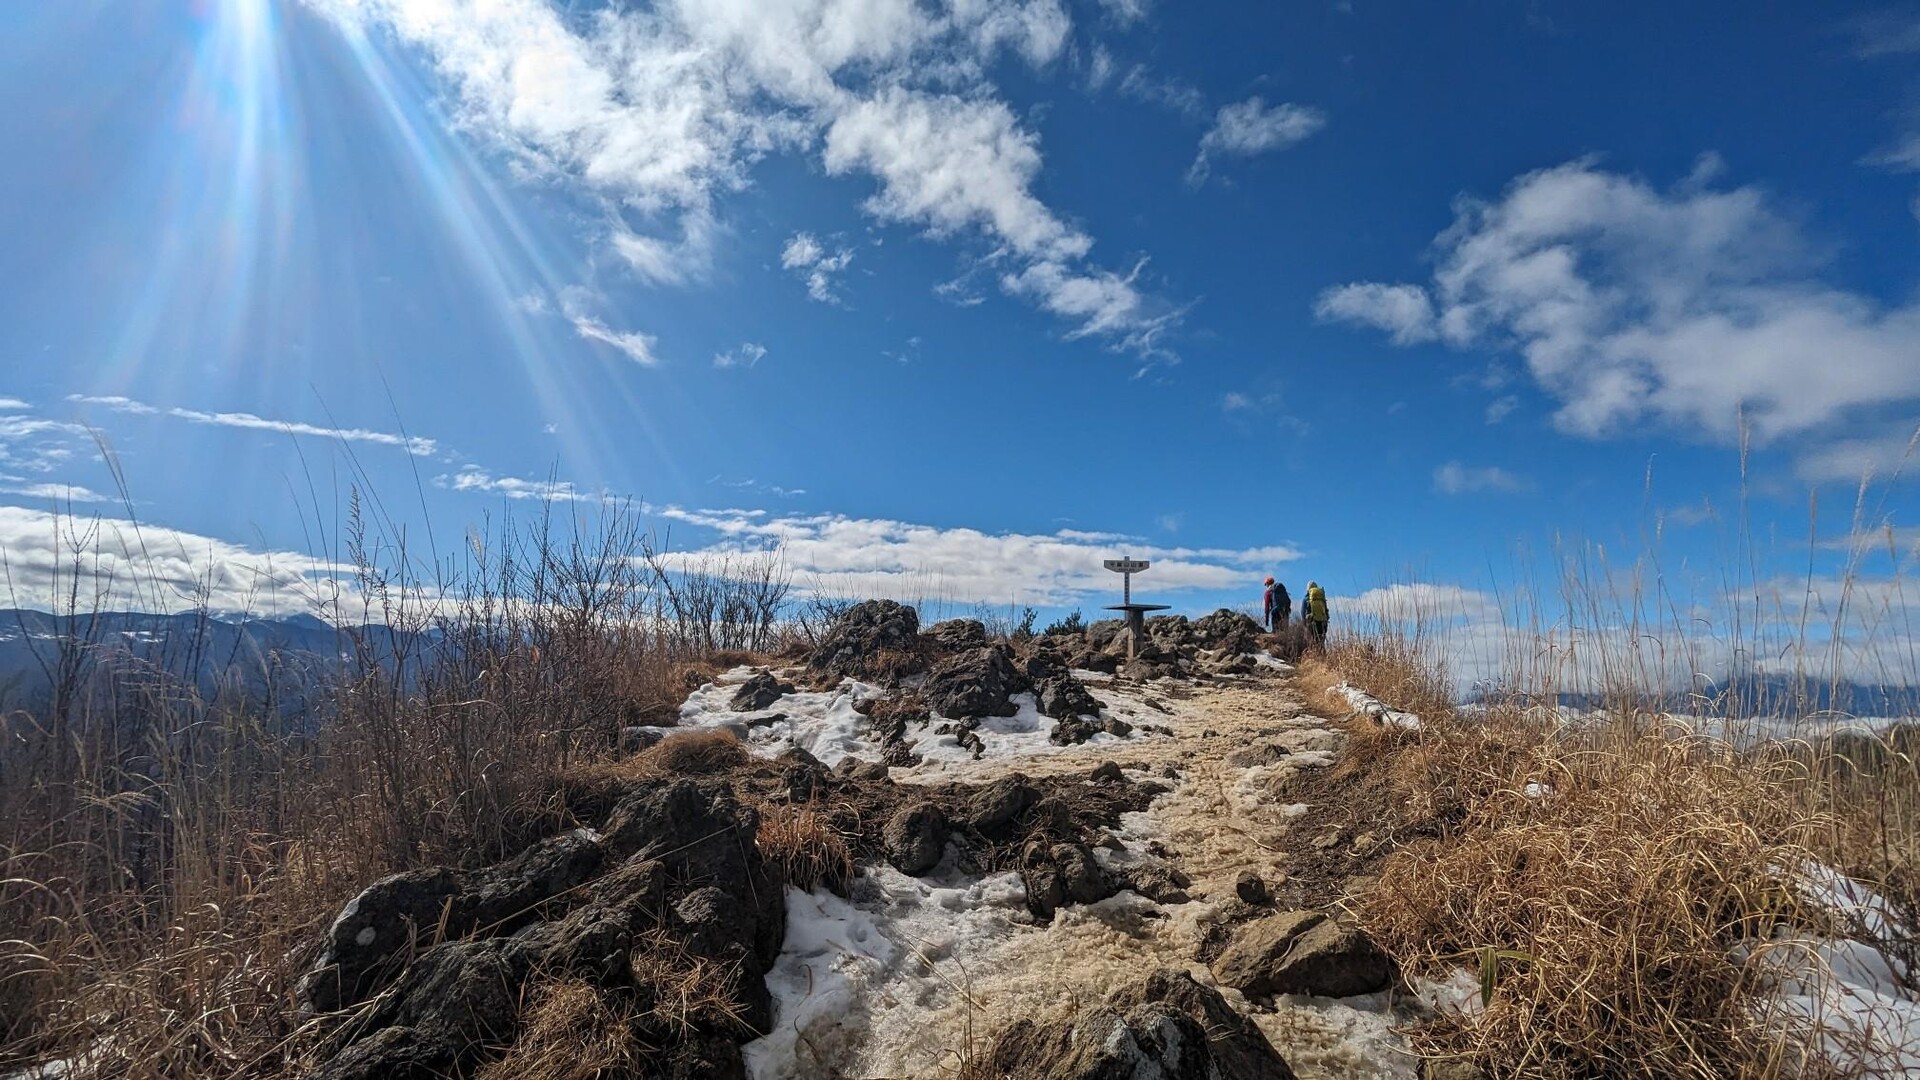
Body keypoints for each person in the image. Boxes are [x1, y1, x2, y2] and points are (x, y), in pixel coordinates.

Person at [1303, 581, 1329, 648]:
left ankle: (1314, 654)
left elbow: (1303, 613)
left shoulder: (1306, 599)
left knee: (1312, 644)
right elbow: (1326, 611)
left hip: (1311, 624)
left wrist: (1305, 625)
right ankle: (1322, 653)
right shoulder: (1322, 598)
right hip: (1323, 624)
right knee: (1321, 643)